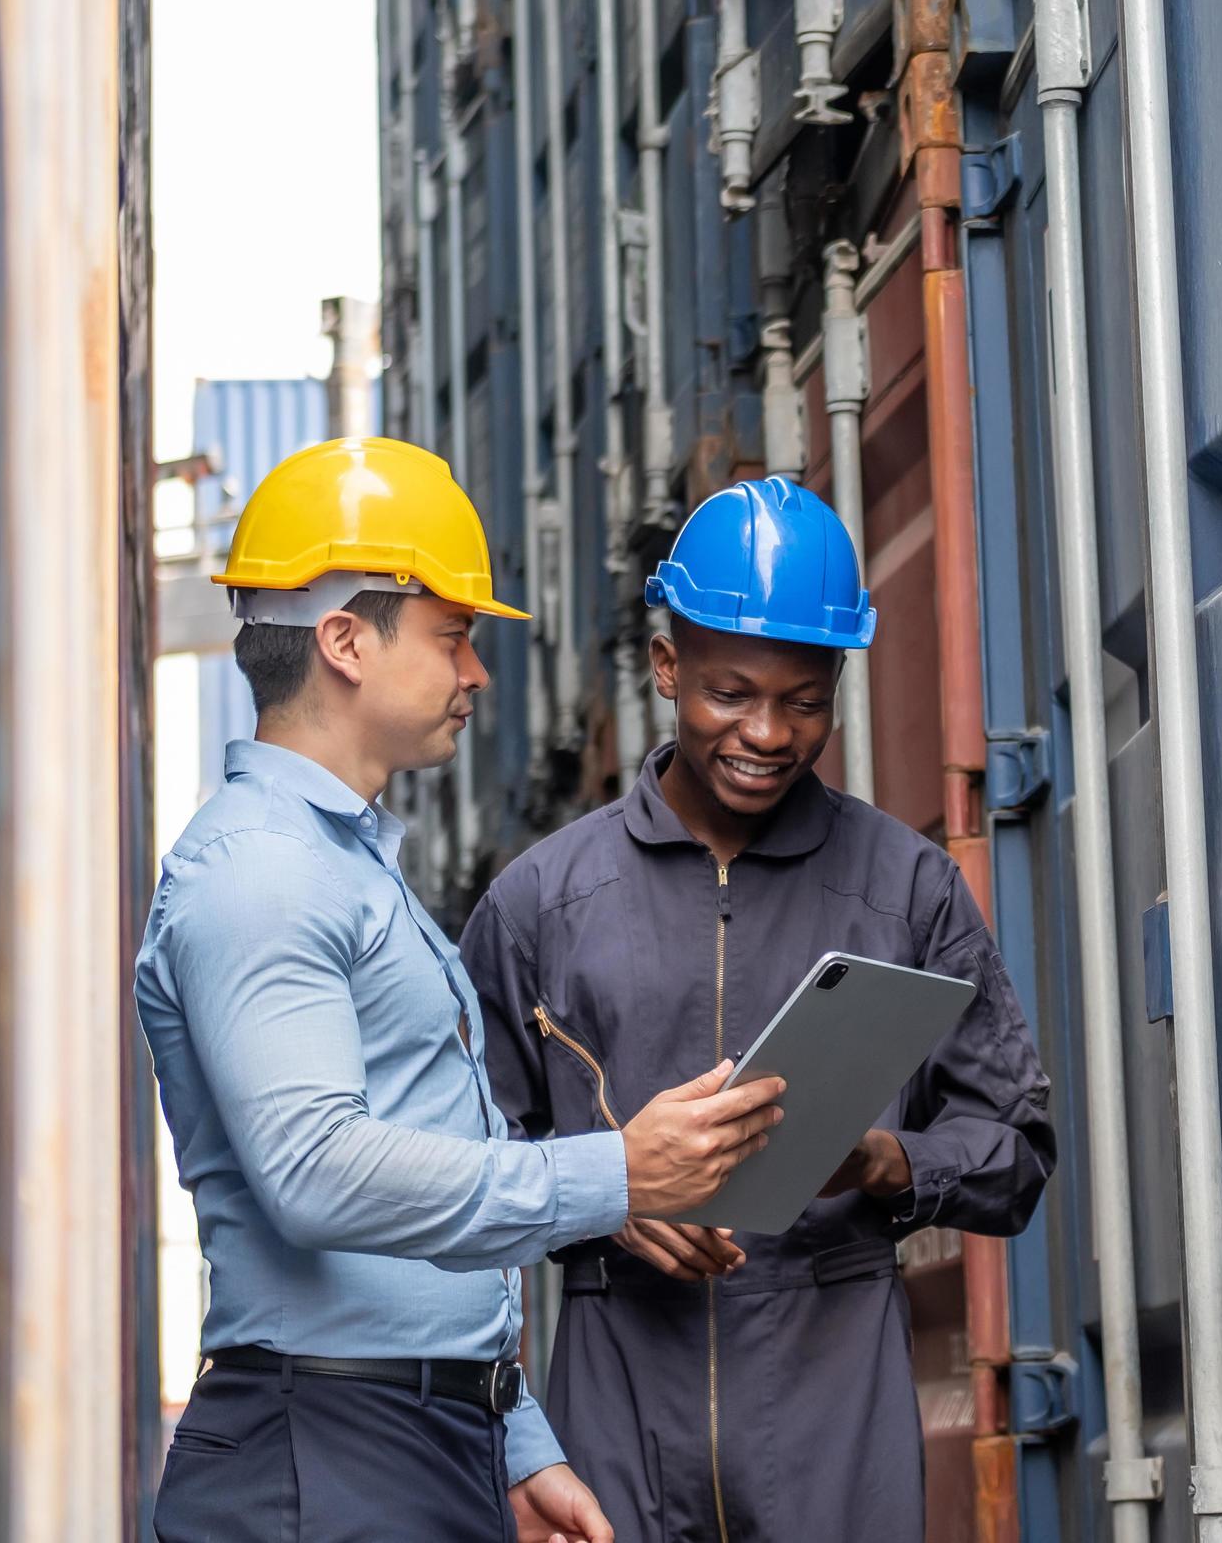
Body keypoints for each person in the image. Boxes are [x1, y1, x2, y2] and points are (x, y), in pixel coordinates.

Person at [138, 437, 788, 1543]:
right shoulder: (260, 872)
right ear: (345, 640)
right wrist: (618, 1173)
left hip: (398, 1443)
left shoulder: (342, 865)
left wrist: (511, 1436)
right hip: (326, 1455)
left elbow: (408, 1181)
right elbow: (316, 1172)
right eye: (453, 635)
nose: (478, 673)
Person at [462, 476, 1056, 1541]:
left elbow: (1016, 1148)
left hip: (838, 1420)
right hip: (619, 1415)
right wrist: (600, 1191)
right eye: (731, 693)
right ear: (666, 667)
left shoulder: (907, 891)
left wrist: (881, 1161)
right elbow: (452, 1165)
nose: (769, 733)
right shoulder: (540, 905)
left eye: (806, 701)